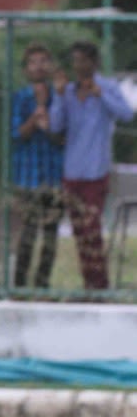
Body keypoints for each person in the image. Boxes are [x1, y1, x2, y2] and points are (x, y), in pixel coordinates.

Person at [49, 41, 135, 290]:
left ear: (94, 63)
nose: (79, 66)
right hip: (72, 170)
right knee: (79, 232)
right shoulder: (68, 91)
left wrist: (100, 94)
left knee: (92, 229)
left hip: (96, 170)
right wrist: (59, 96)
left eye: (84, 60)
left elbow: (126, 114)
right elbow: (56, 126)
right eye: (75, 61)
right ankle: (89, 282)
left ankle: (99, 284)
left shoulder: (107, 87)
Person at [10, 43, 65, 288]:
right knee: (27, 235)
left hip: (54, 175)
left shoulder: (61, 97)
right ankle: (19, 284)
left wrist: (49, 120)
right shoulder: (20, 98)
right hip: (27, 176)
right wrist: (38, 110)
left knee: (50, 235)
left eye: (44, 60)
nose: (39, 66)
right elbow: (17, 134)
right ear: (26, 69)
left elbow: (62, 136)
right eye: (33, 62)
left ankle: (43, 283)